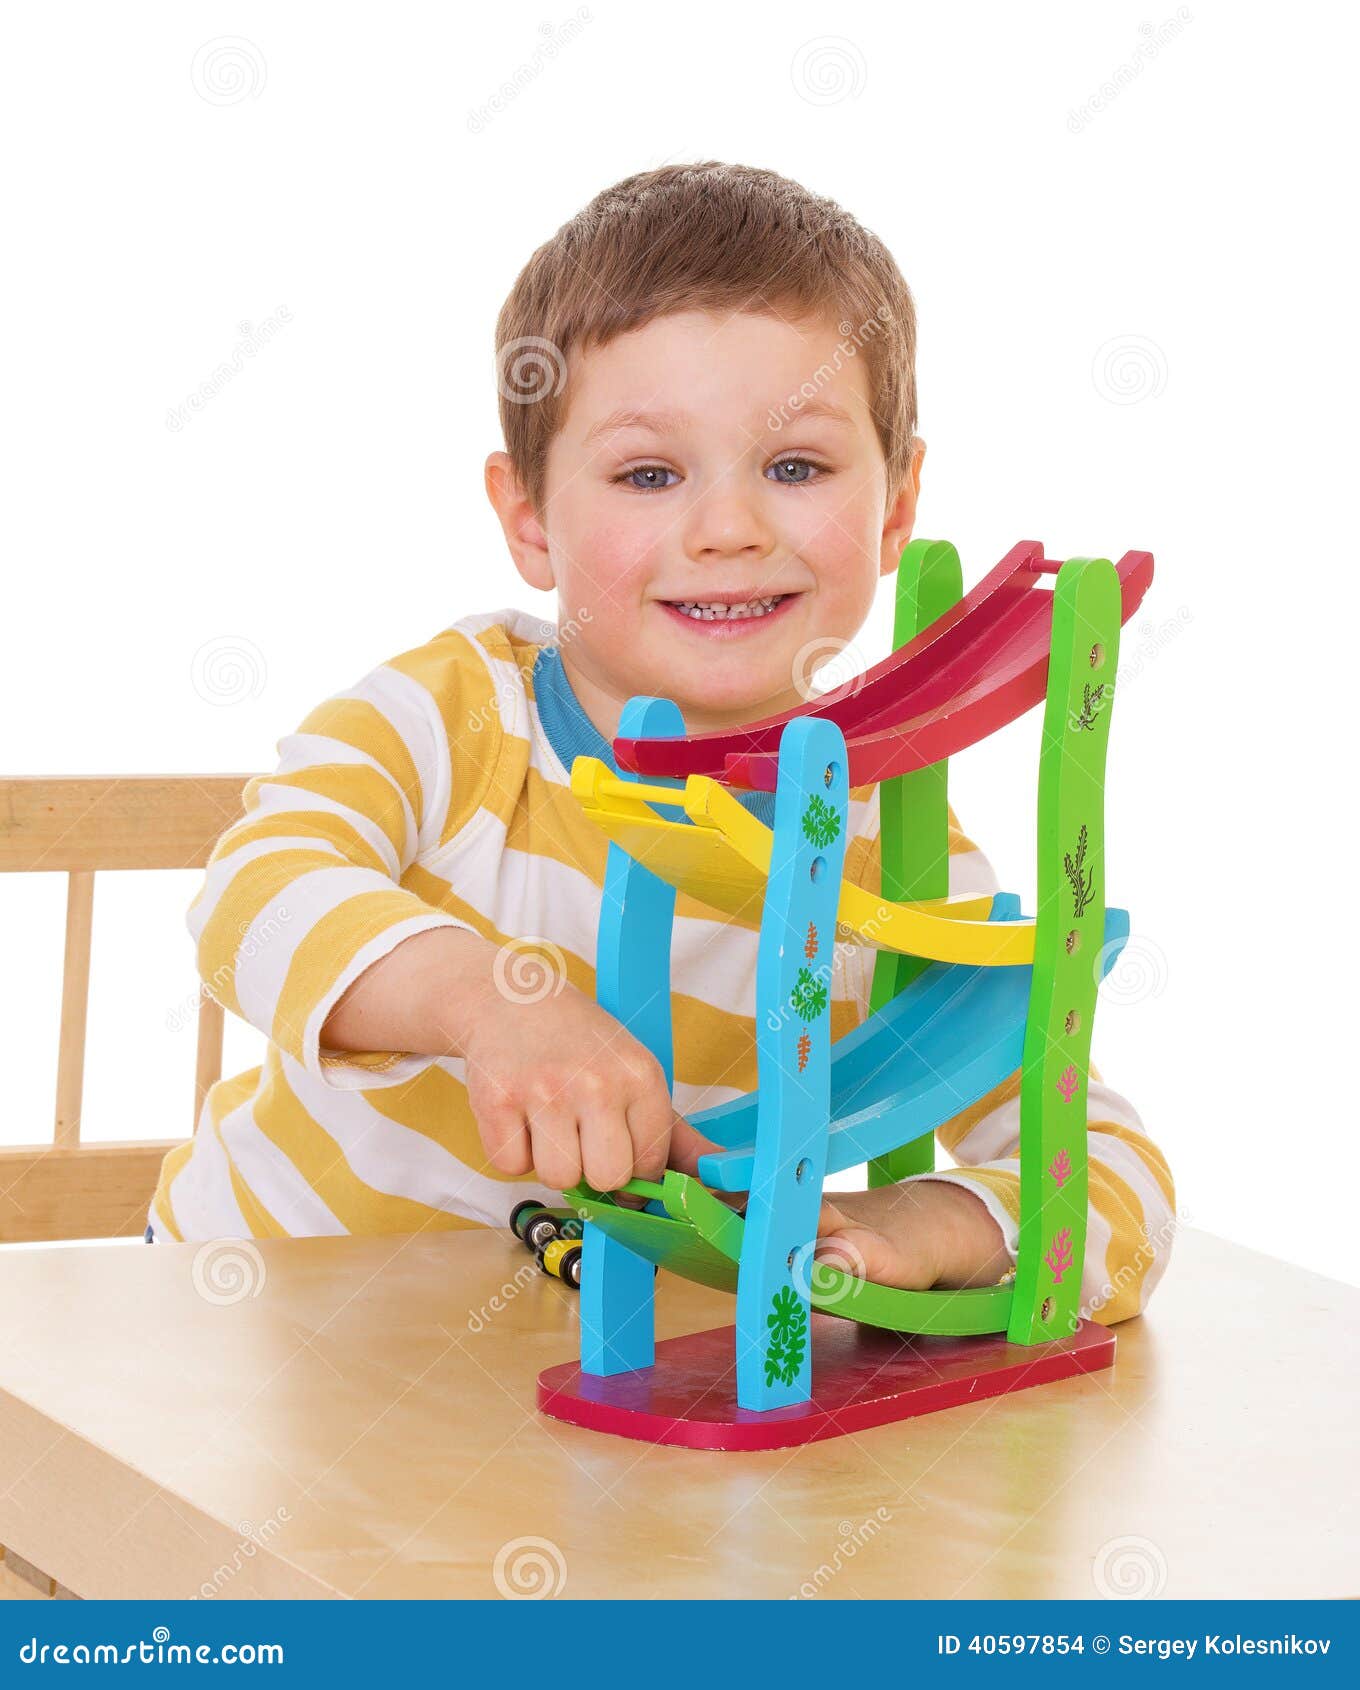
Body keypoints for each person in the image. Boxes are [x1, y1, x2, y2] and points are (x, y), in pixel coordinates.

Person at [149, 162, 1174, 1323]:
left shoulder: (891, 854)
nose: (728, 528)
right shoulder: (456, 712)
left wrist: (938, 1222)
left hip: (538, 1397)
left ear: (895, 507)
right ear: (528, 518)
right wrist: (488, 1001)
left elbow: (1110, 1174)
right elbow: (249, 893)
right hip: (242, 1326)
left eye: (795, 467)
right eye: (647, 474)